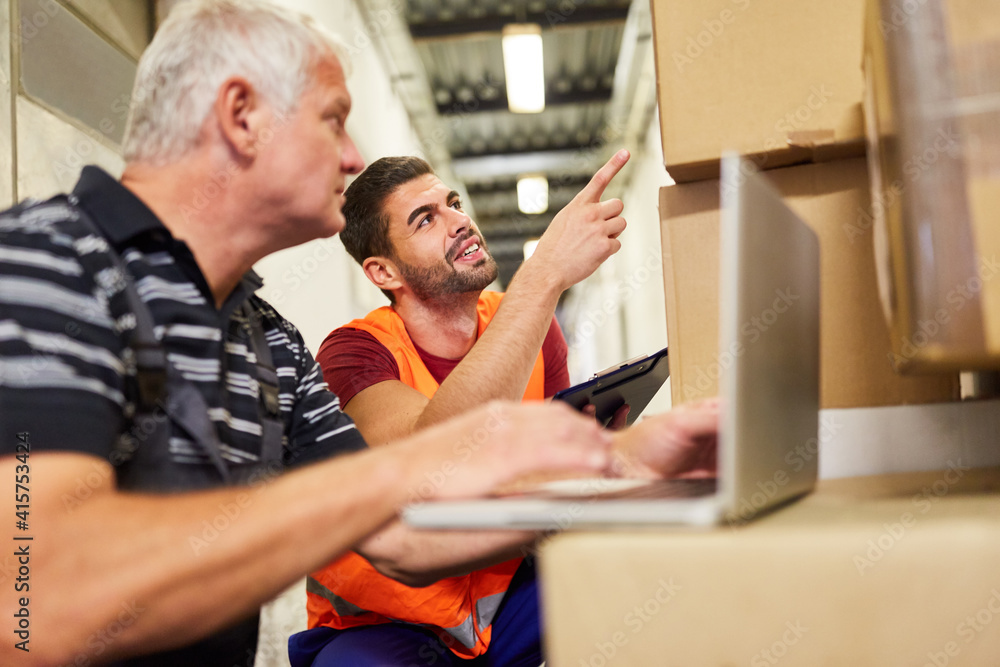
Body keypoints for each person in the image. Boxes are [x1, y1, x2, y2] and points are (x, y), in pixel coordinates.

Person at [0, 2, 635, 665]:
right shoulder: (44, 263)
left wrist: (638, 472)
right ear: (242, 116)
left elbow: (403, 533)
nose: (353, 154)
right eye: (334, 120)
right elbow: (37, 600)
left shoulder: (269, 342)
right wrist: (388, 478)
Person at [293, 155, 719, 665]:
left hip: (506, 603)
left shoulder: (532, 329)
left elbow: (549, 472)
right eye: (425, 219)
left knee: (654, 572)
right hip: (384, 625)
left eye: (453, 203)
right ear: (384, 271)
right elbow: (432, 471)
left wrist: (597, 448)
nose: (458, 220)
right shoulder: (355, 352)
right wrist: (543, 278)